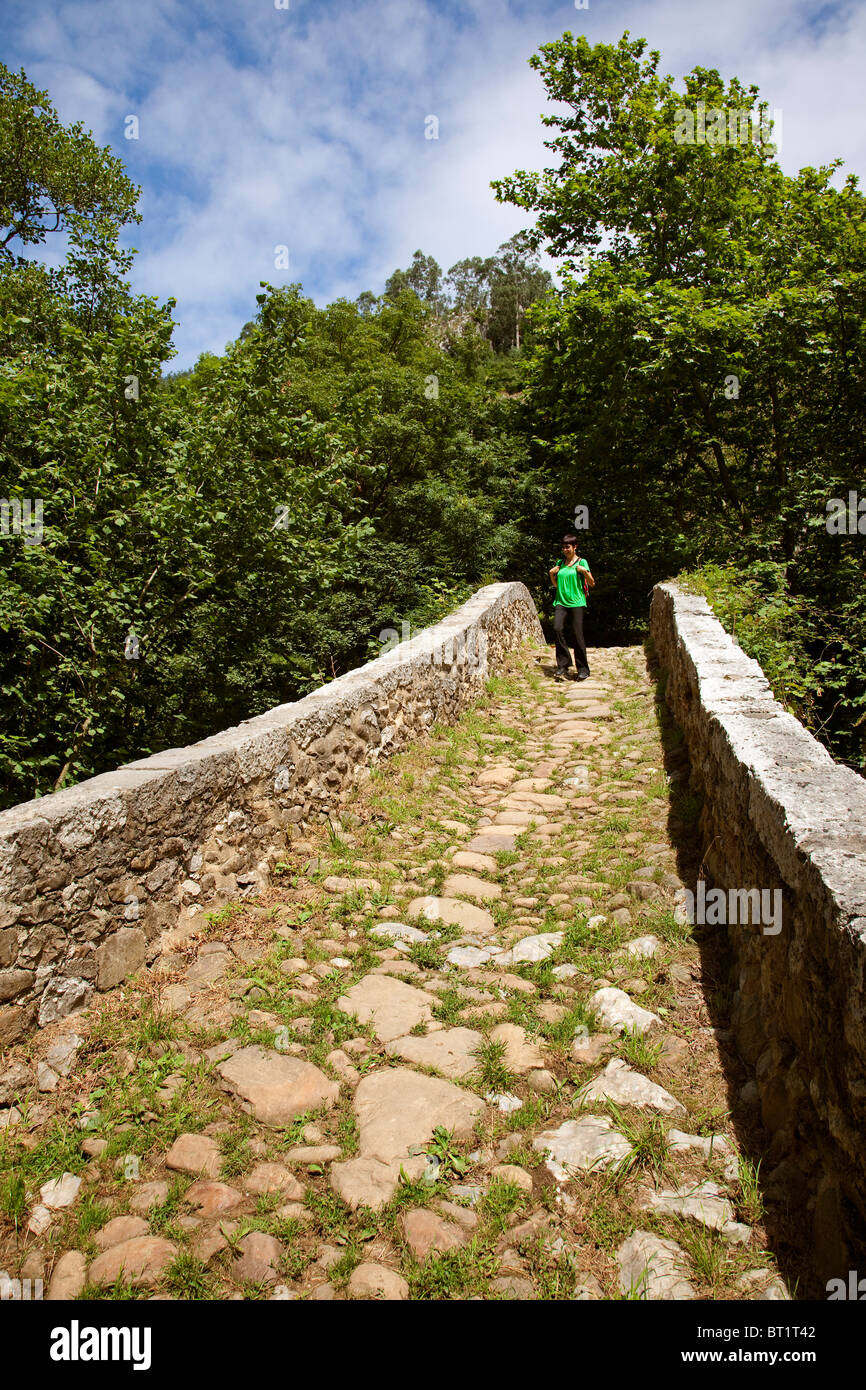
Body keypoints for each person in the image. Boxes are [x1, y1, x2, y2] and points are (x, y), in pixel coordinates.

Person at [549, 534, 594, 681]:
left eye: (567, 547)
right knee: (557, 628)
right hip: (561, 602)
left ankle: (583, 669)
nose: (565, 550)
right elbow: (557, 585)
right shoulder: (560, 563)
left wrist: (584, 571)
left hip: (577, 602)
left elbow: (592, 583)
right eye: (563, 547)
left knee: (577, 634)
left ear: (575, 547)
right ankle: (563, 665)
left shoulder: (582, 562)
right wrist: (551, 575)